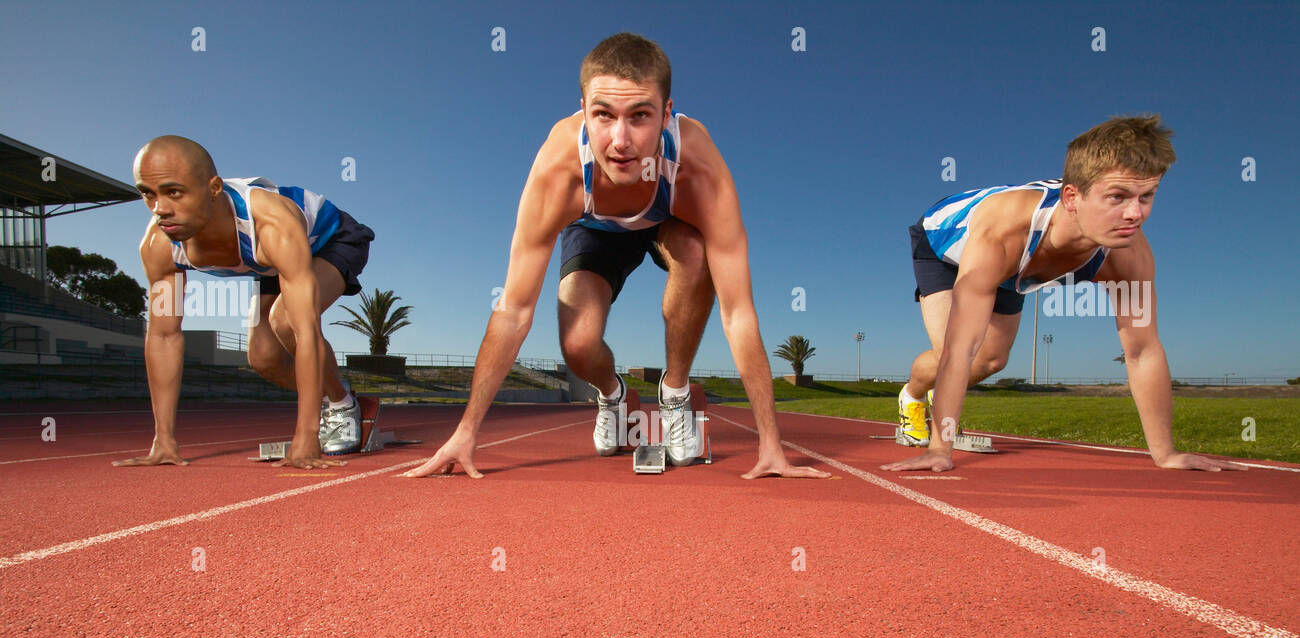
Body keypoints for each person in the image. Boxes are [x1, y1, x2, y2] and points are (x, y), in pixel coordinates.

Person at [403, 33, 827, 479]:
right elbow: (513, 310)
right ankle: (613, 394)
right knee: (578, 344)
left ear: (666, 114)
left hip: (668, 218)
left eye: (639, 115)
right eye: (603, 115)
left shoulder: (697, 169)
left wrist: (771, 443)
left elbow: (738, 312)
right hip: (594, 227)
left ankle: (676, 391)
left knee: (695, 251)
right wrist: (465, 432)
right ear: (583, 109)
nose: (620, 140)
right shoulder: (559, 171)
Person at [882, 115, 1246, 473]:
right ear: (1072, 197)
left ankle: (936, 397)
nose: (1135, 214)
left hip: (1020, 268)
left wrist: (1165, 454)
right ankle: (913, 396)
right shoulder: (1004, 232)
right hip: (945, 244)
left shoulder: (1128, 255)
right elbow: (962, 346)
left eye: (1147, 195)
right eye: (1118, 197)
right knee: (954, 350)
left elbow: (1142, 350)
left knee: (992, 362)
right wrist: (940, 448)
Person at [116, 135, 375, 469]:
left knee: (285, 319)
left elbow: (306, 329)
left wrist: (305, 438)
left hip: (329, 240)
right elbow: (164, 335)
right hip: (268, 261)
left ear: (214, 188)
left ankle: (341, 405)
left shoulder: (271, 223)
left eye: (174, 192)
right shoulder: (158, 243)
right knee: (263, 358)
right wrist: (163, 439)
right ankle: (333, 387)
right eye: (147, 194)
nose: (160, 208)